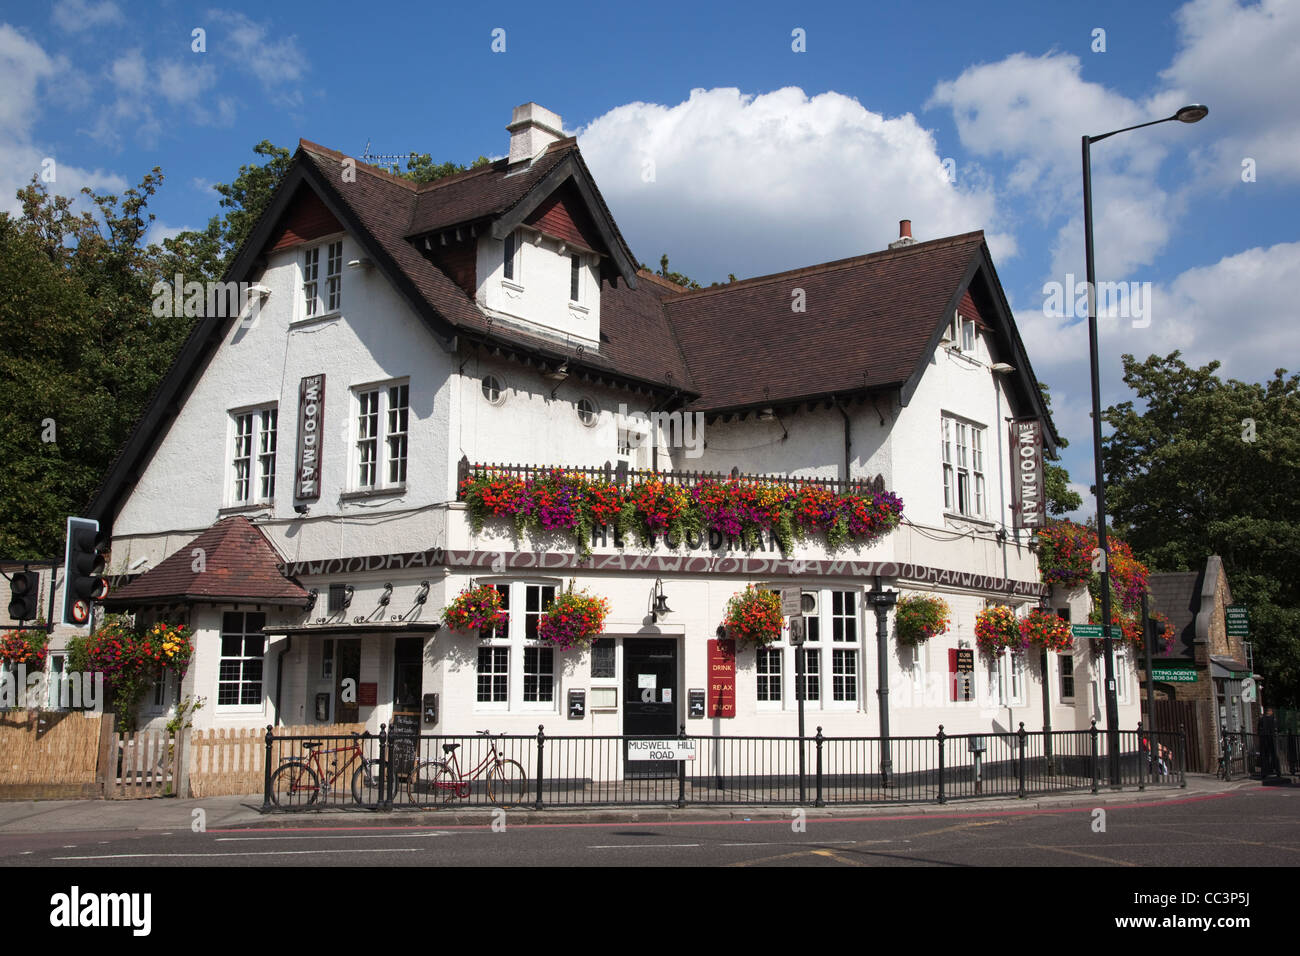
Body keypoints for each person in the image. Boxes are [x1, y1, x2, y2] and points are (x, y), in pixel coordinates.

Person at [1259, 708, 1279, 779]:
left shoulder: (1261, 719)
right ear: (1270, 712)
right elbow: (1275, 729)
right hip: (1271, 739)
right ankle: (1277, 771)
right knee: (1274, 755)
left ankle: (1264, 772)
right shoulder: (1273, 719)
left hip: (1263, 739)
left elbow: (1259, 728)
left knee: (1264, 756)